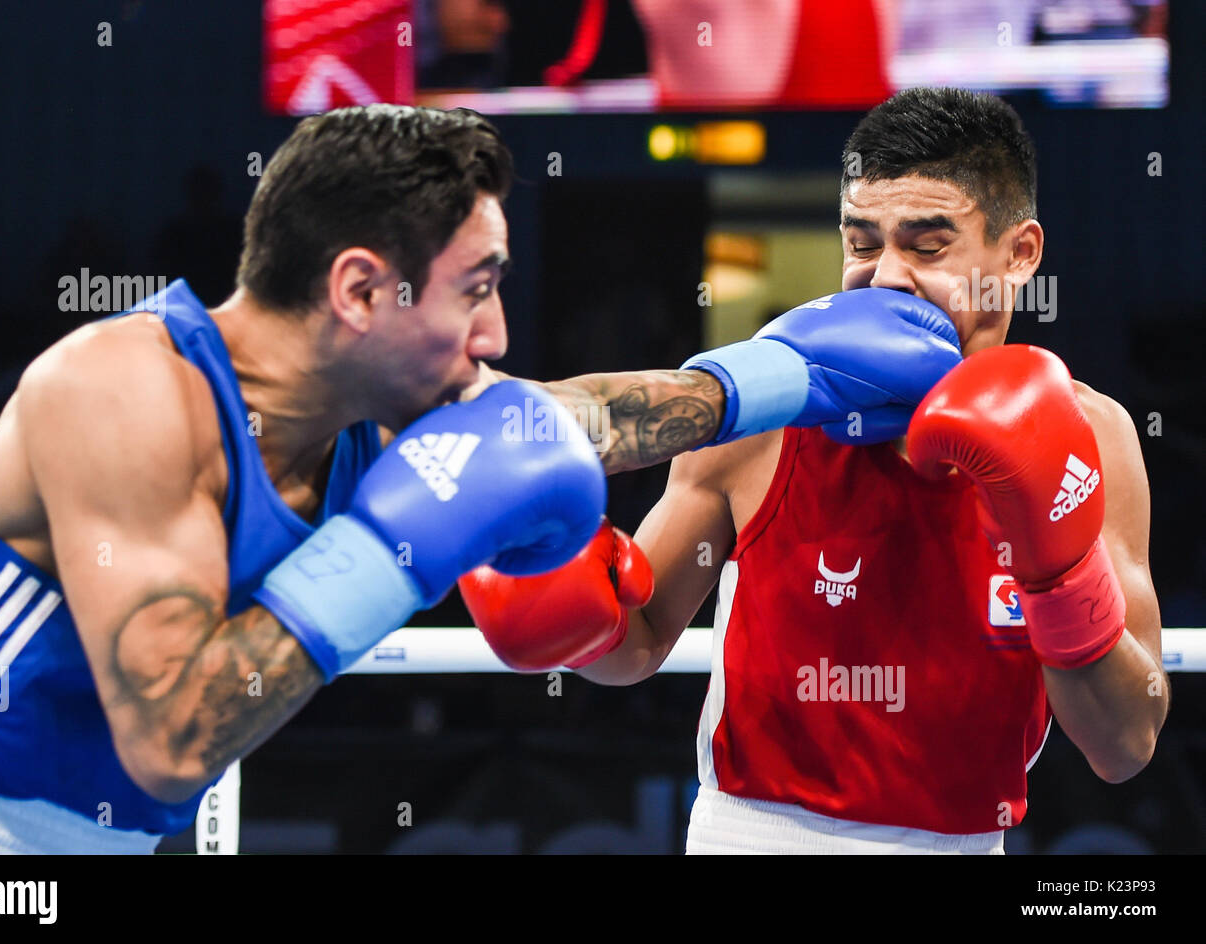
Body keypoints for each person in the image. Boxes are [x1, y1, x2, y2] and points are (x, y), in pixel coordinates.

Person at [0, 104, 959, 853]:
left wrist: (793, 371)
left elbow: (582, 418)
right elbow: (174, 737)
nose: (496, 332)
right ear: (362, 289)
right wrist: (395, 545)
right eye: (477, 288)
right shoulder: (122, 393)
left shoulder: (381, 400)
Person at [462, 88, 1167, 854]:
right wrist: (565, 598)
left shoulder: (1090, 437)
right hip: (752, 835)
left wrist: (1058, 576)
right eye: (863, 243)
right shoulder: (770, 416)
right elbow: (638, 643)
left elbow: (1125, 745)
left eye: (927, 246)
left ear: (1019, 254)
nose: (887, 277)